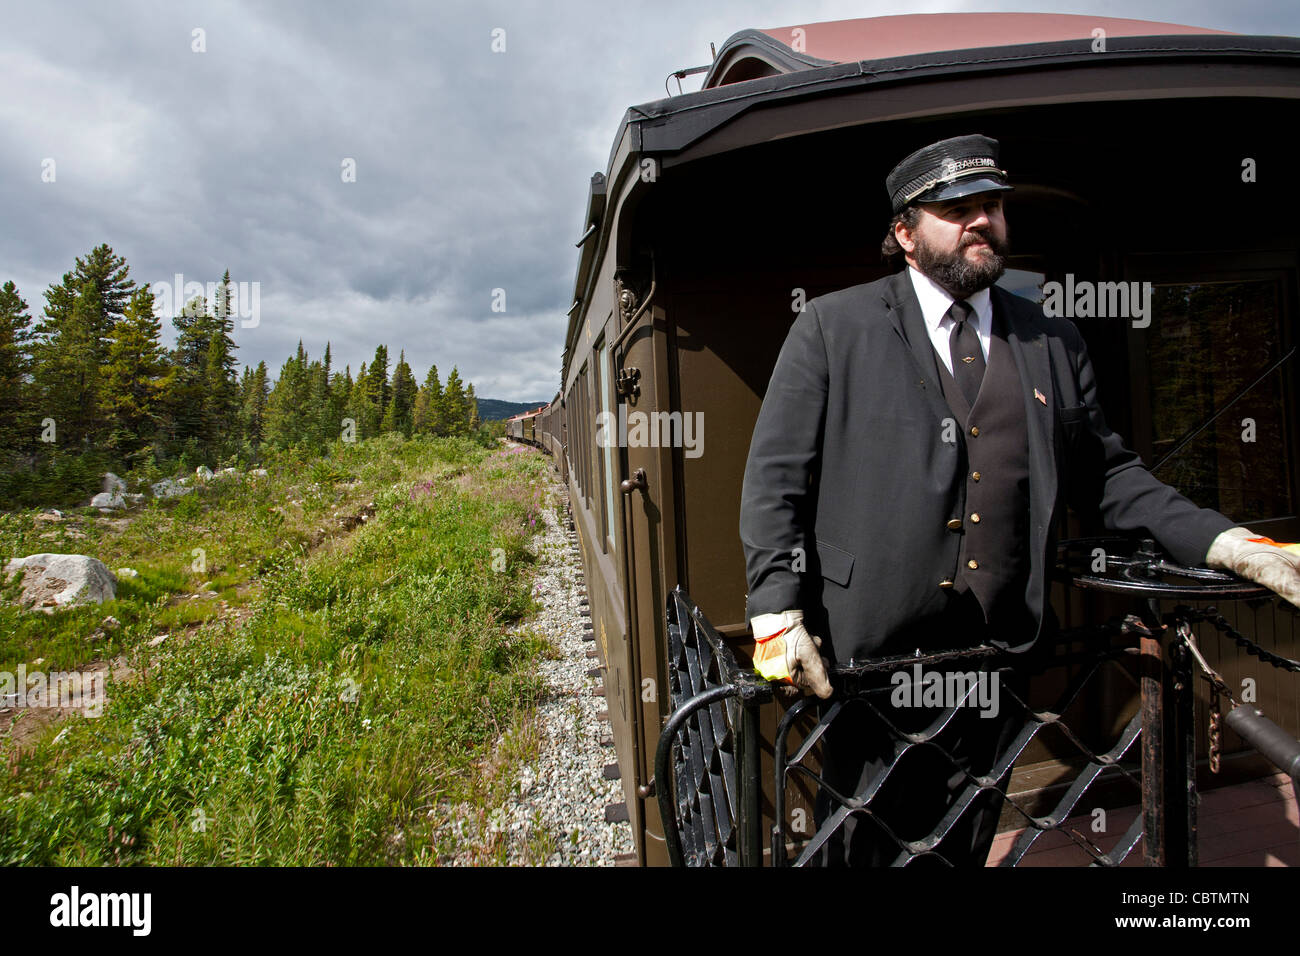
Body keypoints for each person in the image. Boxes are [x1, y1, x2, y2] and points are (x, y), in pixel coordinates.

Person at [738, 133, 1300, 866]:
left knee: (969, 822)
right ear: (905, 233)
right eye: (956, 208)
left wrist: (1225, 542)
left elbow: (1110, 477)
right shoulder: (832, 328)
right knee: (863, 834)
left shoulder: (1052, 340)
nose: (982, 220)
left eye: (993, 205)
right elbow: (777, 479)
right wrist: (776, 609)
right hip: (870, 651)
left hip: (1000, 647)